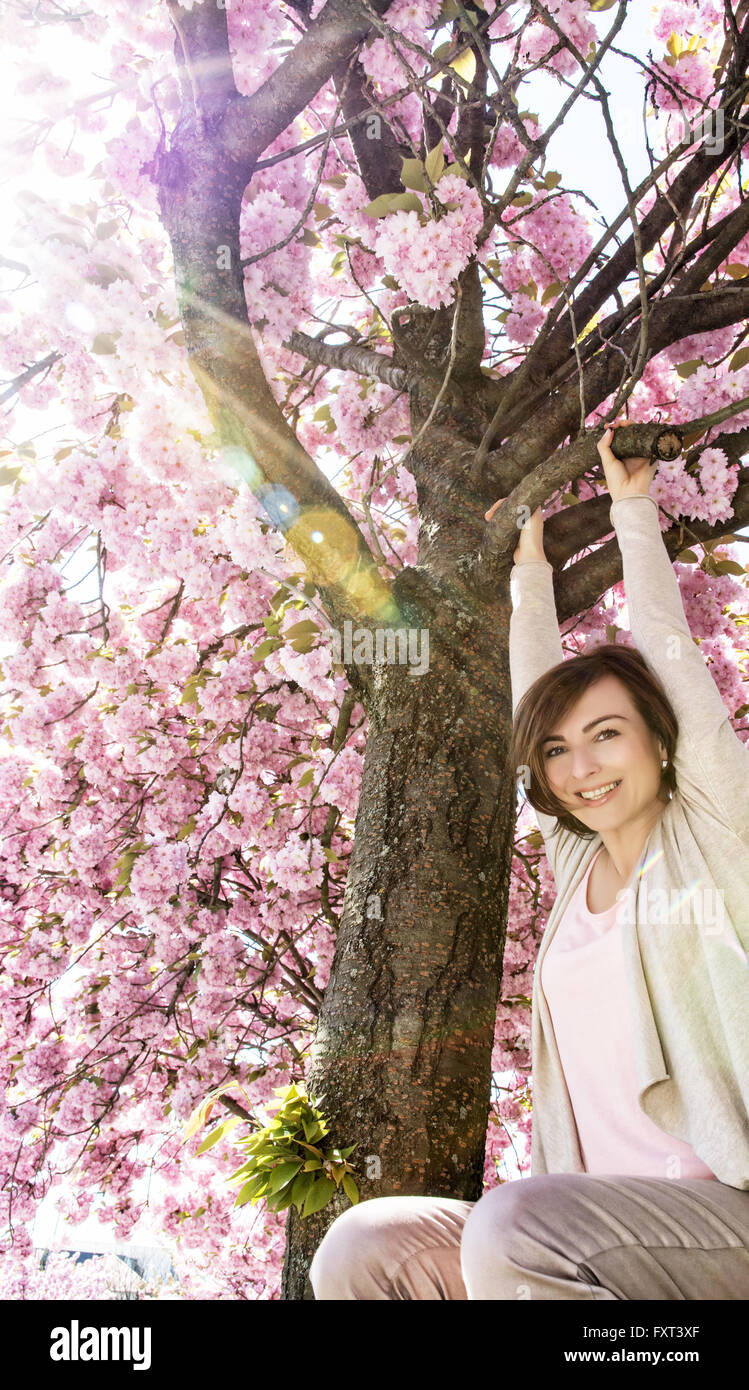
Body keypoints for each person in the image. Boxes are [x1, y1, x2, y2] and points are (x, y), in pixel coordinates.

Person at [309, 425, 749, 1299]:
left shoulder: (713, 837)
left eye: (606, 736)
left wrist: (631, 508)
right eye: (558, 752)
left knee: (518, 1225)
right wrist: (529, 570)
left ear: (659, 744)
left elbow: (670, 652)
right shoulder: (572, 867)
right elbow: (530, 692)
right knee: (363, 1243)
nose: (580, 768)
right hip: (596, 1213)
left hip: (722, 1216)